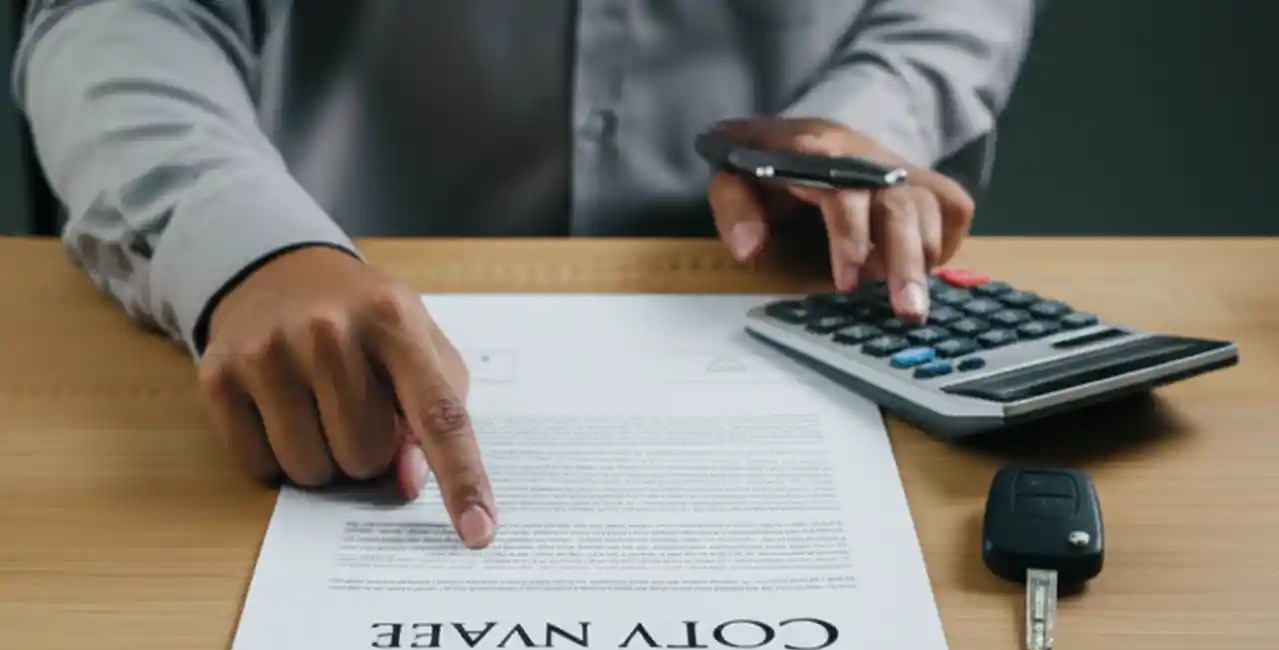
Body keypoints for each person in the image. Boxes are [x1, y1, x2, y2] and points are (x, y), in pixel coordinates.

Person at [12, 0, 1038, 549]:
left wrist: (868, 116)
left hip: (770, 282)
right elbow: (119, 16)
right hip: (320, 332)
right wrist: (249, 248)